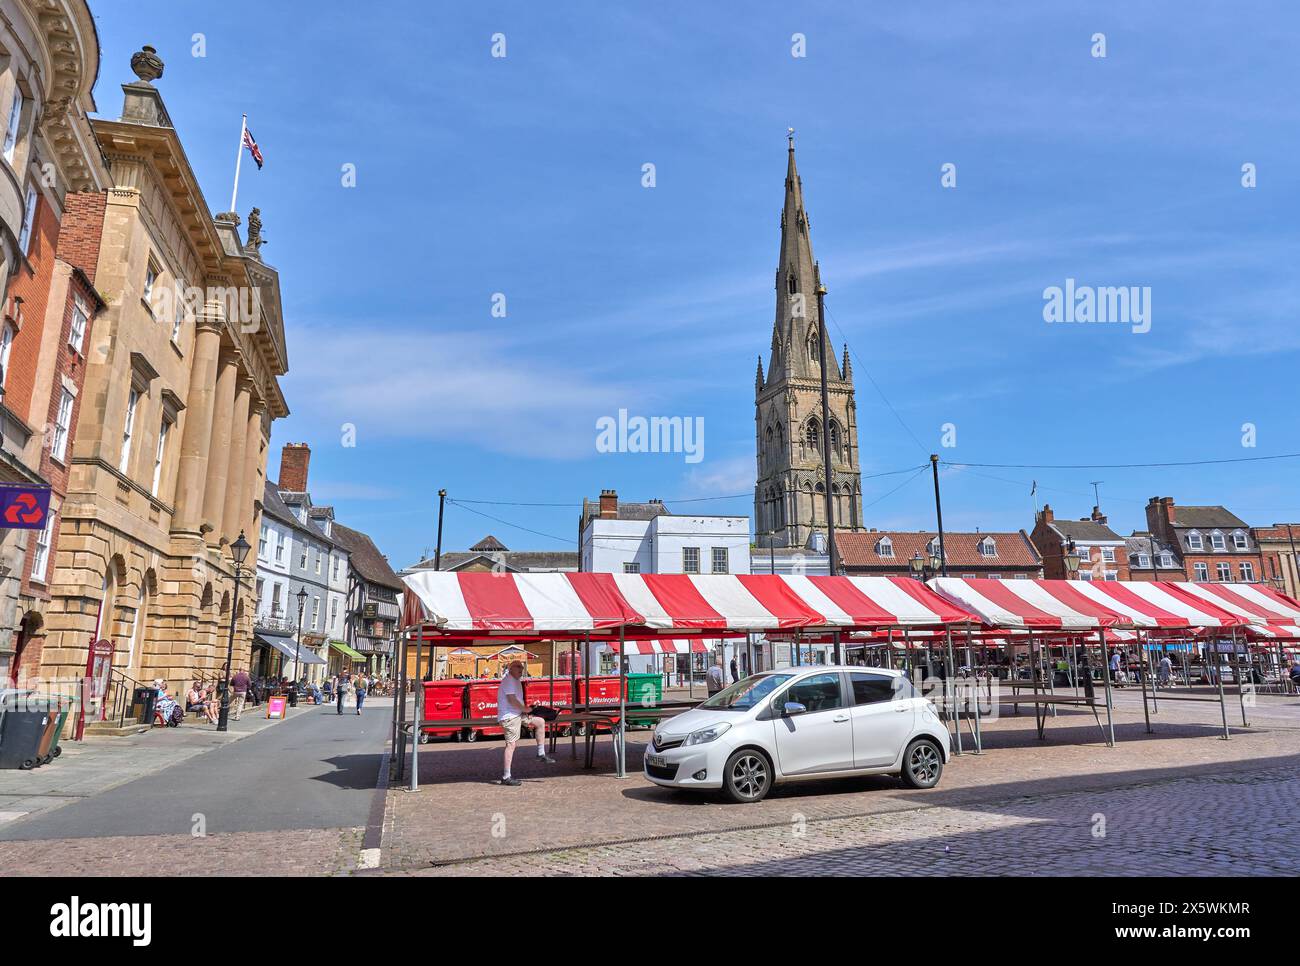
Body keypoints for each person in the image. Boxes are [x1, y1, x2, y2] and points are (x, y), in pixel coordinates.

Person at [497, 660, 553, 786]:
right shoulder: (509, 680)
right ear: (510, 669)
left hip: (518, 714)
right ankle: (506, 777)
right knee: (511, 745)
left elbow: (516, 700)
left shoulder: (515, 680)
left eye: (522, 667)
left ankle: (541, 753)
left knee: (540, 722)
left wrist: (525, 710)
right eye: (518, 667)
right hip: (509, 717)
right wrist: (526, 709)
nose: (521, 669)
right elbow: (511, 700)